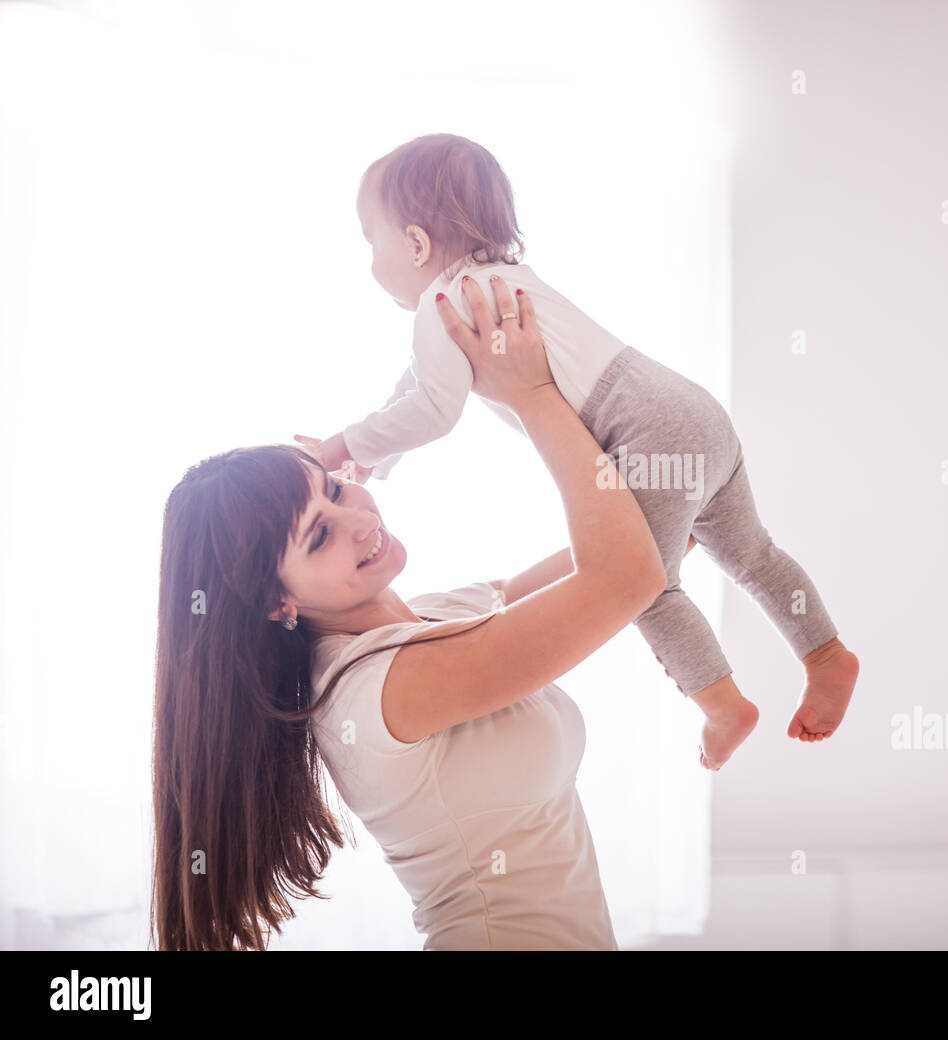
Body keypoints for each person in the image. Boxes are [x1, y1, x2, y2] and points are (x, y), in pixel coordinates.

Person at [303, 132, 859, 770]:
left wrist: (345, 446)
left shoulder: (442, 304)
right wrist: (373, 458)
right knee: (752, 552)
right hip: (689, 409)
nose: (370, 261)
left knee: (642, 582)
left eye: (369, 240)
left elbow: (433, 407)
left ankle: (723, 704)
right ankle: (825, 655)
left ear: (416, 244)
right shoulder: (501, 281)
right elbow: (415, 389)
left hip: (642, 430)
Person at [150, 275, 665, 950]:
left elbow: (636, 543)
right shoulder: (377, 693)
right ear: (279, 601)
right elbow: (627, 576)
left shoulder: (437, 616)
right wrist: (532, 393)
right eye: (319, 534)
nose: (357, 520)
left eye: (335, 490)